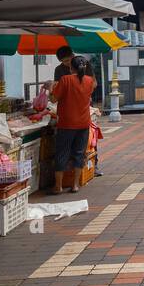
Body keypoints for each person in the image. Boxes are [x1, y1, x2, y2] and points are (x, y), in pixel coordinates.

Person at [51, 55, 95, 194]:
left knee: (62, 154)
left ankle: (58, 186)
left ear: (71, 68)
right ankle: (75, 185)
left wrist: (52, 87)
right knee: (79, 153)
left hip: (66, 123)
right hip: (83, 123)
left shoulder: (65, 80)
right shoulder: (89, 81)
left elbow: (54, 98)